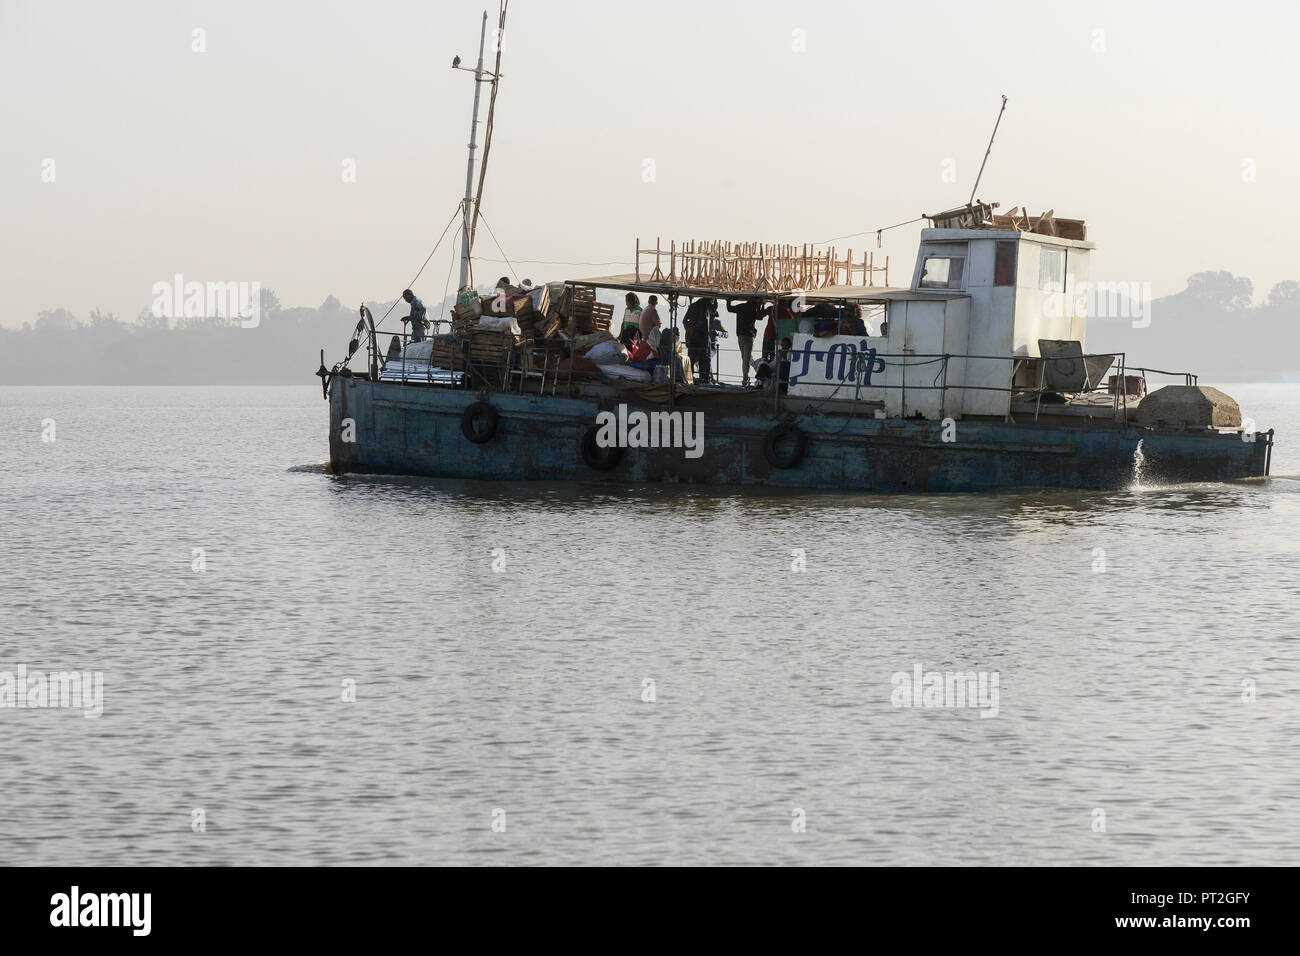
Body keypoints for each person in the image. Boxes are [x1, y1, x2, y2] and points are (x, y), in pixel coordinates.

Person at [726, 299, 768, 386]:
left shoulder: (741, 307)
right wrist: (762, 305)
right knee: (747, 358)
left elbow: (729, 309)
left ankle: (747, 376)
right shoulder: (754, 309)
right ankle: (746, 378)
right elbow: (760, 317)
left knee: (744, 357)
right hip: (749, 336)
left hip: (740, 335)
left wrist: (728, 300)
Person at [683, 297, 718, 383]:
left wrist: (690, 329)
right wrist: (716, 301)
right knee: (704, 358)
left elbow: (684, 321)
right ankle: (704, 379)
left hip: (692, 336)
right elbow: (713, 310)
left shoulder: (693, 305)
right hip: (702, 336)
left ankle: (688, 378)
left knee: (691, 358)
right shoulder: (707, 303)